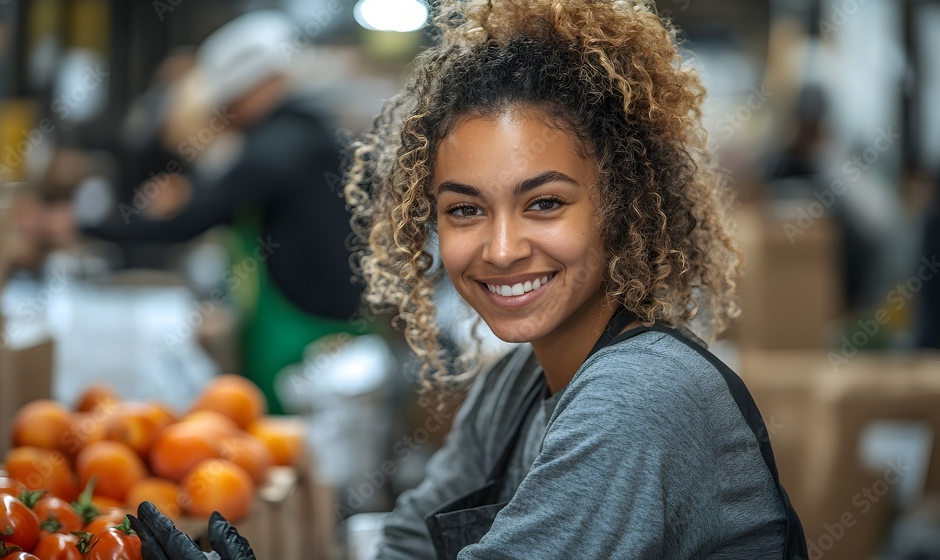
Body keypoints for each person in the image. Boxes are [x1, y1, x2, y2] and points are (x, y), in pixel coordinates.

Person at [340, 0, 808, 558]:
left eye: (544, 202)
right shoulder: (512, 388)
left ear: (621, 204)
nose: (503, 249)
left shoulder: (637, 399)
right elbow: (409, 540)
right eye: (465, 210)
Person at [84, 10, 363, 413]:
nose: (225, 119)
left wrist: (88, 227)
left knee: (286, 441)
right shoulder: (304, 132)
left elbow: (190, 221)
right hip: (309, 320)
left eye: (228, 106)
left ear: (254, 89)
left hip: (302, 331)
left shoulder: (274, 148)